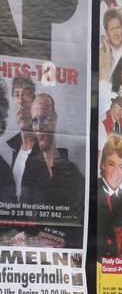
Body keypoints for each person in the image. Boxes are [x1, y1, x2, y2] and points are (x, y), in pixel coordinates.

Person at [19, 93, 85, 223]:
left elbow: (80, 220)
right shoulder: (30, 169)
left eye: (44, 119)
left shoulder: (72, 172)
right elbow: (23, 217)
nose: (38, 127)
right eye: (34, 121)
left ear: (54, 119)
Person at [97, 136, 122, 257]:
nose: (116, 172)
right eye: (111, 164)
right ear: (102, 165)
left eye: (121, 167)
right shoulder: (92, 191)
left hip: (119, 270)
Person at [2, 77, 35, 186]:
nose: (21, 100)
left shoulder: (46, 149)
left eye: (26, 94)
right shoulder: (15, 149)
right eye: (17, 95)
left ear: (34, 99)